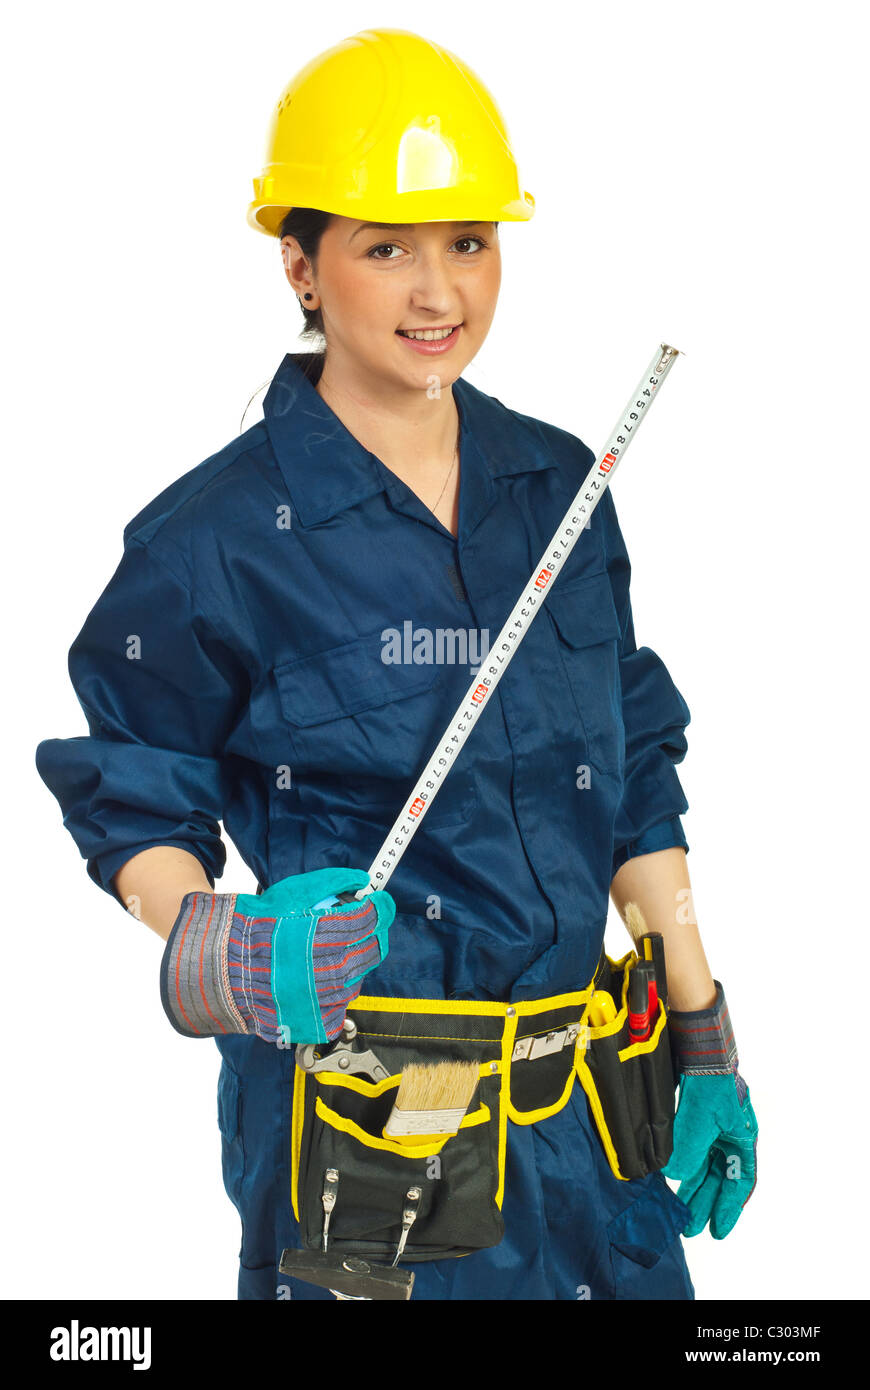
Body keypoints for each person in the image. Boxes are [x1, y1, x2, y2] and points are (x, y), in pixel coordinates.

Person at [35, 27, 757, 1301]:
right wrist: (224, 942)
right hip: (380, 1145)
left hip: (592, 1128)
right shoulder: (211, 542)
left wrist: (701, 1037)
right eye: (387, 249)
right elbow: (135, 797)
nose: (441, 294)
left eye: (469, 242)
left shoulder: (559, 490)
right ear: (300, 266)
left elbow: (635, 773)